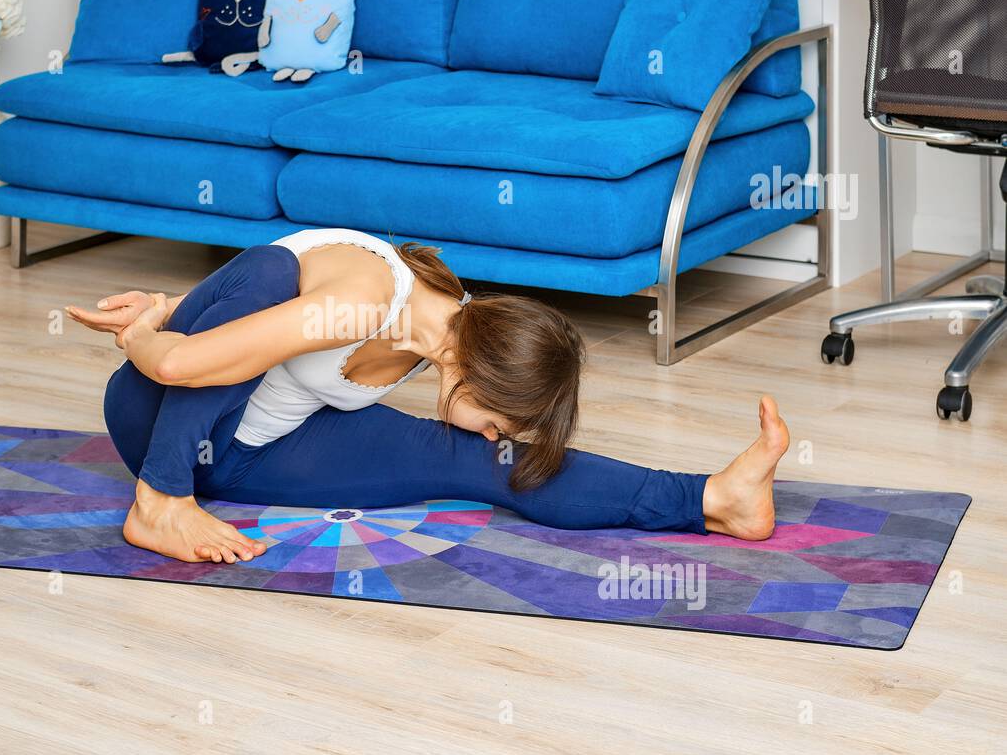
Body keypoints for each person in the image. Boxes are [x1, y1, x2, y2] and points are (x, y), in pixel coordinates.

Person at [67, 229, 789, 564]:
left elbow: (238, 334)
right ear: (478, 378)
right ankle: (158, 506)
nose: (493, 431)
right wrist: (147, 330)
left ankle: (714, 500)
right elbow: (190, 362)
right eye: (500, 418)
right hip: (160, 420)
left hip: (251, 457)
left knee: (484, 468)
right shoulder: (360, 304)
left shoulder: (454, 317)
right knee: (265, 273)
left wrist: (170, 303)